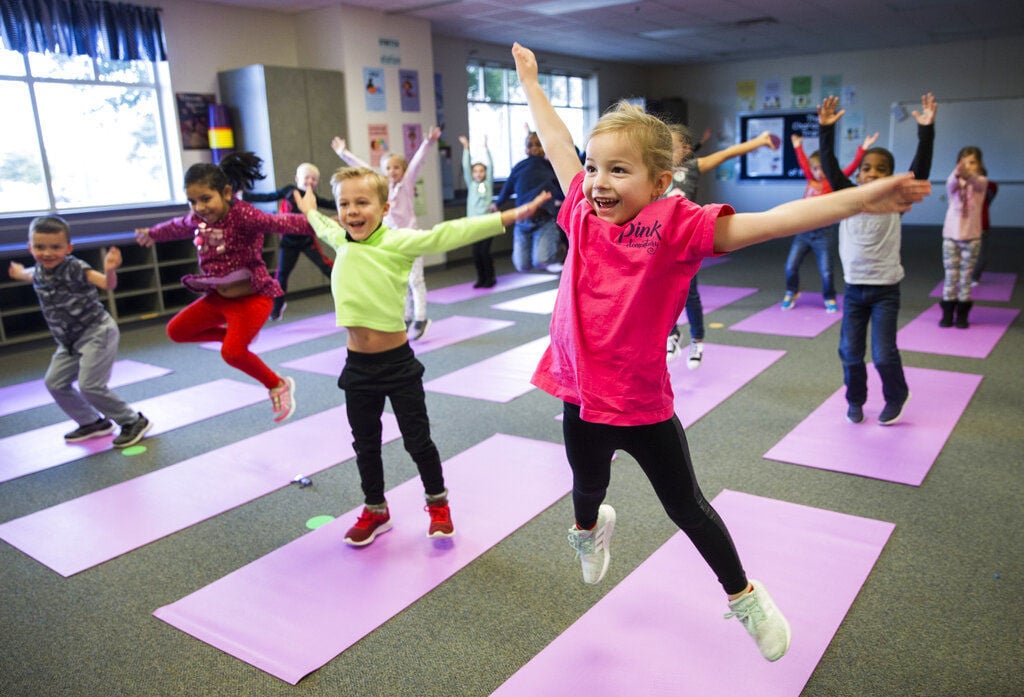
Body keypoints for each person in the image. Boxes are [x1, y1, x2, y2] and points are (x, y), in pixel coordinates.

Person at [512, 42, 930, 662]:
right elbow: (556, 142)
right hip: (579, 392)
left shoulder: (677, 225)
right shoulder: (580, 211)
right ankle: (589, 530)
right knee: (586, 488)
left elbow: (775, 220)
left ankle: (745, 595)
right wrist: (530, 83)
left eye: (618, 170)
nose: (598, 181)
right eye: (594, 167)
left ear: (660, 182)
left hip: (640, 403)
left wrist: (861, 199)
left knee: (686, 506)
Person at [293, 165, 551, 546]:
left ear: (385, 208)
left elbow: (451, 232)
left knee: (418, 441)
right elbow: (320, 225)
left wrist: (512, 215)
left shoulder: (398, 242)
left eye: (362, 202)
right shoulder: (341, 240)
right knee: (365, 444)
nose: (352, 211)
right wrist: (311, 209)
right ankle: (375, 510)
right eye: (345, 204)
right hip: (357, 366)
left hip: (397, 364)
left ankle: (438, 504)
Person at [134, 152, 313, 423]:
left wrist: (324, 222)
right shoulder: (198, 219)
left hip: (252, 298)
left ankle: (277, 384)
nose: (199, 207)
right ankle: (236, 337)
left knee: (232, 353)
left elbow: (280, 222)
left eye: (206, 199)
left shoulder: (243, 215)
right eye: (192, 201)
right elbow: (177, 226)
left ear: (226, 192)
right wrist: (153, 233)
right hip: (218, 298)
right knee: (177, 331)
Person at [818, 93, 936, 424]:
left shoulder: (896, 201)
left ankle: (896, 396)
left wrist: (926, 131)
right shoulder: (848, 197)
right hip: (855, 290)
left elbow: (920, 171)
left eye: (881, 170)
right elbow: (829, 165)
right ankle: (855, 400)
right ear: (858, 175)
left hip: (885, 290)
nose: (871, 174)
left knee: (884, 355)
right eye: (866, 168)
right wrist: (826, 129)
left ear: (890, 176)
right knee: (850, 353)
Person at [8, 217, 152, 448]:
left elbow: (107, 284)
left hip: (97, 332)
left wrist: (110, 270)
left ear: (68, 248)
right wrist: (17, 272)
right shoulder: (38, 271)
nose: (47, 253)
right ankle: (92, 422)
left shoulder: (76, 267)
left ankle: (133, 421)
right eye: (40, 247)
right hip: (69, 341)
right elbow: (28, 274)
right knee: (54, 382)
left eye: (55, 247)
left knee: (90, 385)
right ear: (30, 248)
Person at [664, 123, 779, 369]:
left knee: (690, 294)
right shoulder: (654, 173)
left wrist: (759, 141)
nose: (666, 152)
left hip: (687, 242)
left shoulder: (693, 167)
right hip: (663, 243)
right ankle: (672, 334)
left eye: (671, 148)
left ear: (685, 150)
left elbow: (727, 154)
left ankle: (697, 340)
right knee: (663, 293)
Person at [332, 127, 441, 341]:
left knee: (415, 280)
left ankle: (421, 318)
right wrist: (343, 152)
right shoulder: (382, 187)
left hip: (410, 239)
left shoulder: (406, 183)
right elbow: (362, 167)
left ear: (403, 169)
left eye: (396, 167)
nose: (392, 171)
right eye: (388, 168)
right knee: (400, 280)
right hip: (391, 241)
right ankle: (406, 316)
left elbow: (417, 161)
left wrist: (428, 142)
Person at [781, 130, 879, 312]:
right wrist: (797, 145)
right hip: (803, 232)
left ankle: (829, 296)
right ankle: (791, 291)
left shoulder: (832, 183)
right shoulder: (810, 179)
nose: (819, 173)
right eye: (815, 169)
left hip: (823, 234)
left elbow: (851, 168)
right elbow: (803, 161)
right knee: (790, 266)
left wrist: (864, 148)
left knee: (826, 270)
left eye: (822, 168)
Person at [243, 162, 336, 321]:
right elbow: (269, 196)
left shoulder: (312, 197)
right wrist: (245, 197)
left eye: (314, 179)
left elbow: (329, 204)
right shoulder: (289, 191)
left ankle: (347, 291)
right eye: (307, 177)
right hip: (288, 241)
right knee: (282, 275)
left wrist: (344, 203)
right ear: (297, 178)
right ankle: (277, 307)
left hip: (307, 240)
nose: (310, 181)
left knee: (325, 266)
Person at [493, 130, 565, 273]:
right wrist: (497, 203)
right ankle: (555, 247)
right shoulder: (520, 167)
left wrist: (561, 200)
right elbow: (508, 187)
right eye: (531, 145)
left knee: (541, 261)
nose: (534, 149)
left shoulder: (550, 167)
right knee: (522, 265)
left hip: (544, 220)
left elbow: (561, 187)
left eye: (537, 145)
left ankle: (560, 248)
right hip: (522, 221)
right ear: (527, 149)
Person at [938, 147, 989, 329]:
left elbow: (977, 181)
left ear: (979, 165)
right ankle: (947, 313)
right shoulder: (953, 181)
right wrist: (958, 173)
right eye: (964, 162)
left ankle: (962, 315)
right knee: (950, 277)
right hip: (951, 236)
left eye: (972, 162)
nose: (968, 166)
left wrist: (969, 174)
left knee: (966, 278)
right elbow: (951, 182)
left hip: (972, 237)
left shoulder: (981, 182)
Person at [458, 134, 496, 287]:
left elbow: (491, 165)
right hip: (473, 224)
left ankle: (490, 278)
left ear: (485, 173)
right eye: (475, 171)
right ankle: (481, 278)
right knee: (476, 253)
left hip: (487, 222)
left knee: (484, 252)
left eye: (481, 171)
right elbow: (465, 166)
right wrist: (466, 148)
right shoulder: (471, 184)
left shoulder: (488, 183)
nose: (478, 174)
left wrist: (486, 148)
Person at [970, 170, 998, 286]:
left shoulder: (987, 188)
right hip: (967, 226)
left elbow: (992, 186)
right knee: (967, 252)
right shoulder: (967, 187)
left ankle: (974, 277)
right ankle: (970, 276)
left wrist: (977, 180)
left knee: (981, 254)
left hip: (981, 225)